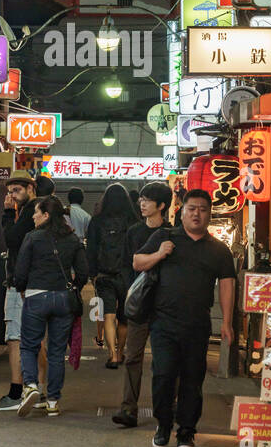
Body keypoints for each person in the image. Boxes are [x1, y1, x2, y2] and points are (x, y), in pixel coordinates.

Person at [133, 187, 235, 447]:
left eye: (203, 210)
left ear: (209, 215)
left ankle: (187, 431)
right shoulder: (165, 237)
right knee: (163, 375)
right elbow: (137, 262)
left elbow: (226, 285)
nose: (197, 214)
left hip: (198, 324)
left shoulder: (219, 250)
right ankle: (163, 424)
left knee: (193, 379)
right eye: (192, 209)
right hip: (163, 323)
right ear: (182, 212)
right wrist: (159, 254)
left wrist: (226, 321)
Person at [15, 195, 89, 419]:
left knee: (29, 345)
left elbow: (20, 272)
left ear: (46, 215)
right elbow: (84, 272)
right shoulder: (72, 239)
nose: (33, 216)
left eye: (36, 212)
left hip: (37, 296)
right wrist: (73, 287)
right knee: (57, 352)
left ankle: (31, 385)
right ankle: (53, 401)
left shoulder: (32, 237)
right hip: (63, 298)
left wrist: (22, 288)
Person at [112, 181, 173, 428]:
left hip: (165, 306)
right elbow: (128, 266)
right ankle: (128, 408)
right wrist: (127, 296)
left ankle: (166, 409)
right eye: (141, 200)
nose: (142, 204)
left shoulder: (172, 233)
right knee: (132, 357)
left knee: (164, 360)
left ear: (162, 206)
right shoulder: (134, 232)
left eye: (148, 200)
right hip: (140, 303)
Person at [0, 171, 45, 411]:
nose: (11, 196)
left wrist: (7, 213)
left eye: (16, 191)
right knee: (38, 338)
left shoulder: (30, 211)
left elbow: (11, 239)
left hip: (21, 283)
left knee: (15, 338)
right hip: (36, 282)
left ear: (30, 188)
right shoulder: (40, 211)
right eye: (9, 191)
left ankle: (17, 391)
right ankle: (41, 390)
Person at [86, 181, 139, 368]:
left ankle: (112, 355)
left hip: (104, 274)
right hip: (127, 276)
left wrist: (92, 274)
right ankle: (120, 351)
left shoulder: (97, 221)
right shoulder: (133, 221)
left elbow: (90, 249)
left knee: (108, 315)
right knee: (124, 318)